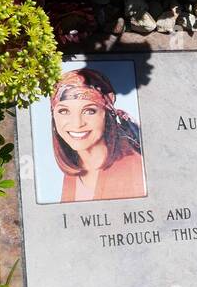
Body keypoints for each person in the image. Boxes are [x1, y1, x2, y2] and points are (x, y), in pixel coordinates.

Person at [49, 68, 145, 201]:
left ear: (106, 114)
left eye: (89, 111)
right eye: (64, 111)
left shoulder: (132, 170)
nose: (77, 123)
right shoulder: (77, 167)